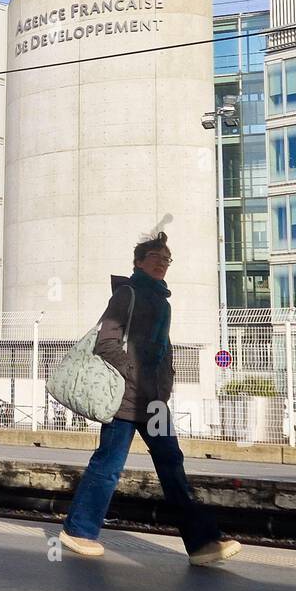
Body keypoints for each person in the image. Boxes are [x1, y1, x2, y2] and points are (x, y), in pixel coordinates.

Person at [60, 232, 241, 566]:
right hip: (125, 401)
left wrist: (165, 384)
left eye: (167, 259)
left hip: (155, 403)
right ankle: (78, 530)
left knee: (172, 466)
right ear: (139, 261)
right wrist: (135, 373)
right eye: (157, 256)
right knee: (109, 466)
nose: (163, 263)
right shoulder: (127, 294)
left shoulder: (163, 302)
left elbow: (164, 350)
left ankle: (201, 544)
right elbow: (106, 343)